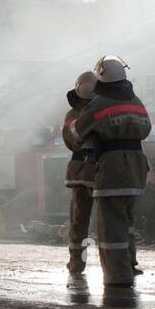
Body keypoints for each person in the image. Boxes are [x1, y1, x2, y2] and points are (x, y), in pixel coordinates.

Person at [66, 54, 151, 288]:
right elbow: (147, 129)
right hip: (136, 168)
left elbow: (75, 134)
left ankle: (118, 279)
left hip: (112, 169)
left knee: (109, 228)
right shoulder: (136, 102)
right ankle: (128, 267)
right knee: (125, 222)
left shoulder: (99, 104)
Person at [62, 71, 98, 278]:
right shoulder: (72, 115)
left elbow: (70, 140)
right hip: (86, 172)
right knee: (83, 221)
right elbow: (70, 140)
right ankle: (78, 261)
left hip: (92, 172)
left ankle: (79, 262)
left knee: (84, 221)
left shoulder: (74, 114)